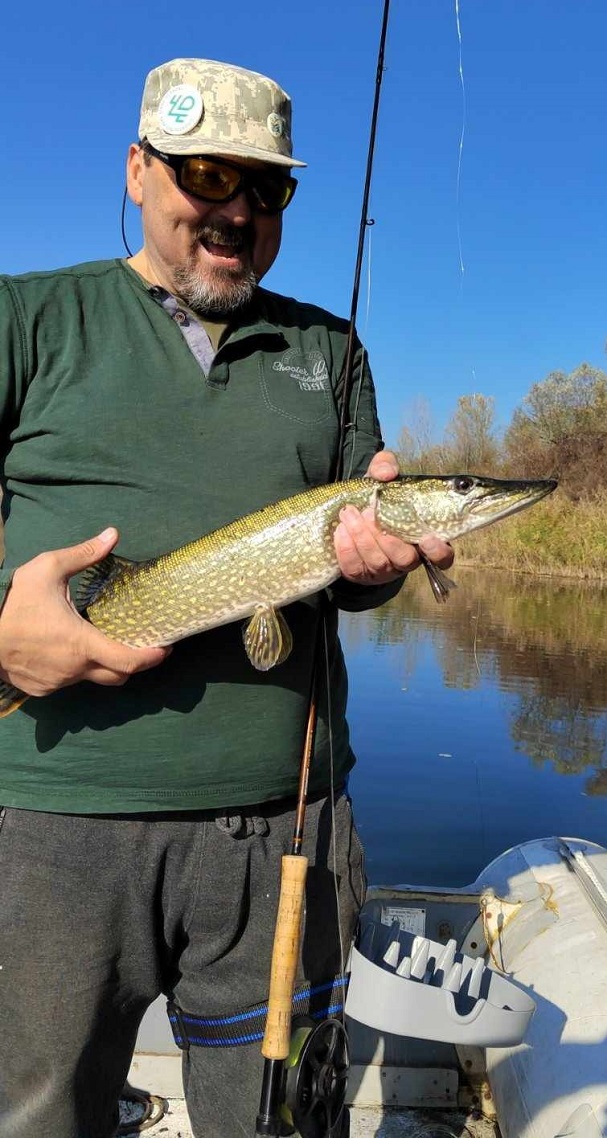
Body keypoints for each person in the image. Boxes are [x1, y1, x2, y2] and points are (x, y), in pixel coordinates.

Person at [0, 58, 453, 1138]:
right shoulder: (28, 317)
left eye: (268, 189)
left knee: (275, 1121)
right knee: (37, 1115)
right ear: (139, 170)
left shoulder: (330, 351)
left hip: (281, 834)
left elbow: (346, 584)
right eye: (208, 175)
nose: (236, 211)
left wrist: (366, 571)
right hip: (55, 831)